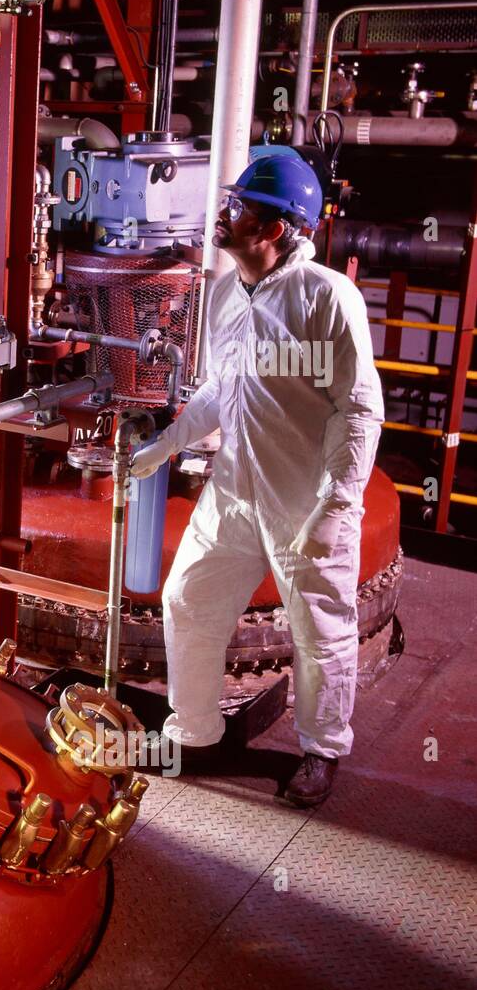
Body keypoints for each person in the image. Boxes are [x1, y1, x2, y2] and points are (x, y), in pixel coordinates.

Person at [131, 154, 384, 807]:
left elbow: (357, 408)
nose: (222, 213)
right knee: (187, 597)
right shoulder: (221, 293)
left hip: (306, 497)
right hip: (234, 488)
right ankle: (192, 731)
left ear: (274, 227)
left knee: (318, 626)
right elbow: (223, 387)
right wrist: (168, 442)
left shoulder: (324, 297)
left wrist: (338, 500)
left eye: (239, 206)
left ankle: (321, 749)